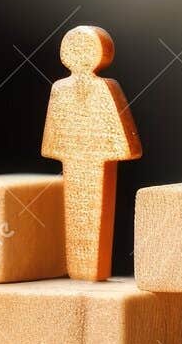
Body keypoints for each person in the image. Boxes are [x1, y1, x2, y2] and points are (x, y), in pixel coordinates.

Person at [40, 25, 141, 281]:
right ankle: (81, 269)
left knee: (92, 215)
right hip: (74, 158)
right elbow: (53, 135)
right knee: (77, 214)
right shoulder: (61, 89)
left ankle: (89, 270)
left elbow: (119, 137)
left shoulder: (104, 88)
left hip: (96, 160)